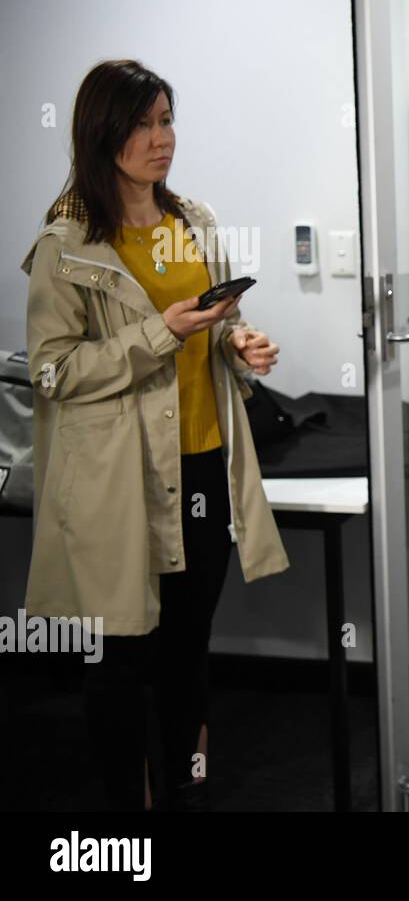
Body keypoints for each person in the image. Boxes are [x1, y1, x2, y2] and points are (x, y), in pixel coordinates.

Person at [22, 59, 289, 810]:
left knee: (187, 645)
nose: (160, 138)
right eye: (142, 123)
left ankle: (184, 784)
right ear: (102, 133)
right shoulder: (68, 243)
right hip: (122, 479)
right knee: (123, 653)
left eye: (167, 119)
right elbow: (52, 372)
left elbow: (216, 324)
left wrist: (240, 346)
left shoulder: (192, 224)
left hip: (204, 465)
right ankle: (125, 813)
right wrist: (159, 335)